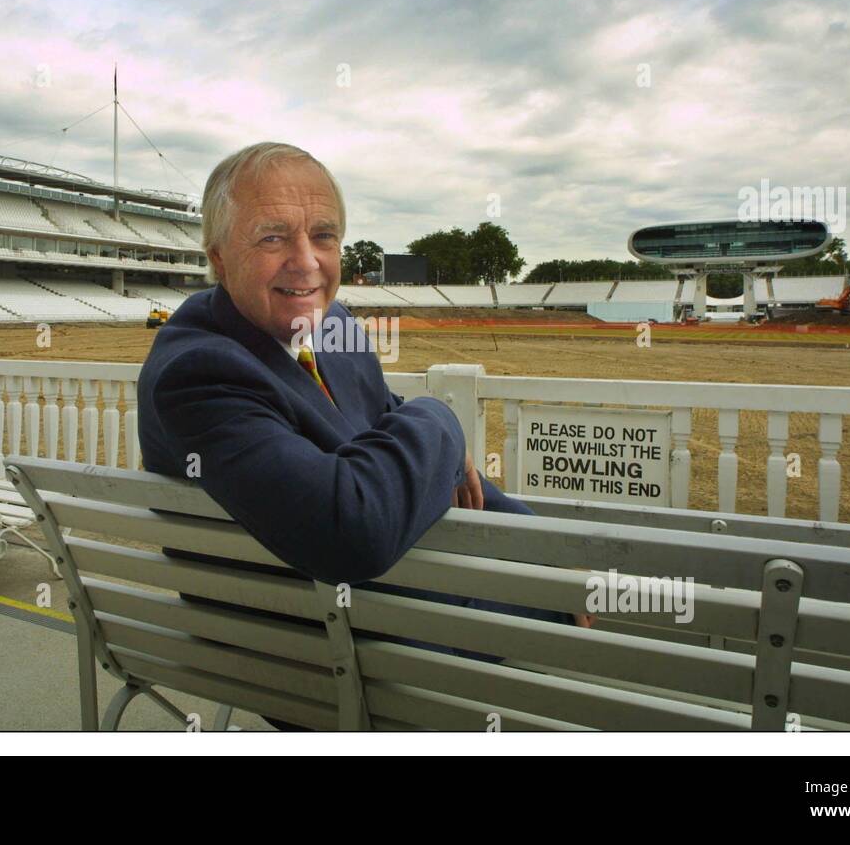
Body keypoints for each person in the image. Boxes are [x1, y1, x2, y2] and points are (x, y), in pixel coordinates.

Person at [136, 142, 589, 726]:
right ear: (219, 258)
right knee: (567, 613)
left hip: (352, 618)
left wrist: (544, 549)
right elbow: (351, 529)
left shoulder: (333, 327)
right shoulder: (199, 371)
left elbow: (405, 438)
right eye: (273, 237)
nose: (307, 262)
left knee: (551, 583)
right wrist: (442, 417)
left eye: (323, 236)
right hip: (307, 655)